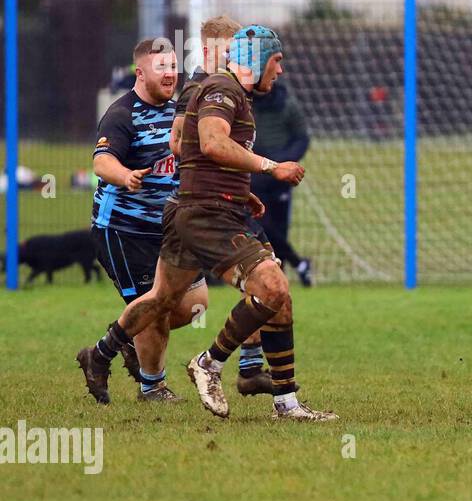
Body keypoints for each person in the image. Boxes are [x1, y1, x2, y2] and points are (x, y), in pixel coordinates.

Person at [76, 25, 336, 421]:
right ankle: (205, 366)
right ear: (257, 59)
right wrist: (270, 167)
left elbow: (190, 149)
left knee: (170, 302)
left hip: (191, 209)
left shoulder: (228, 94)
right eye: (277, 61)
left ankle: (101, 352)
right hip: (192, 217)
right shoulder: (221, 90)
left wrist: (239, 188)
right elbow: (210, 142)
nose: (281, 71)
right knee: (272, 285)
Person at [84, 38, 198, 402]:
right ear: (140, 73)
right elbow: (102, 161)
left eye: (173, 66)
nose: (170, 74)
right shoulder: (122, 114)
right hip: (123, 229)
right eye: (161, 68)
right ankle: (153, 387)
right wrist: (125, 176)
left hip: (168, 228)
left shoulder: (180, 109)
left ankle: (120, 338)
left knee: (194, 304)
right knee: (156, 305)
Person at [175, 14, 273, 396]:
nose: (239, 55)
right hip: (195, 206)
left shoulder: (233, 89)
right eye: (231, 48)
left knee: (266, 273)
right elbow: (177, 142)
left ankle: (249, 368)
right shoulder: (201, 88)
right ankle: (111, 349)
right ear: (207, 49)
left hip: (225, 202)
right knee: (166, 300)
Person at [250, 81, 313, 286]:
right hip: (255, 174)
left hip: (280, 179)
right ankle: (297, 264)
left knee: (279, 227)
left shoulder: (286, 104)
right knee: (261, 226)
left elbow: (301, 139)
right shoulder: (244, 102)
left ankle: (282, 278)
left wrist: (284, 162)